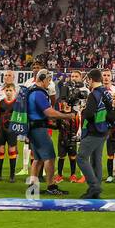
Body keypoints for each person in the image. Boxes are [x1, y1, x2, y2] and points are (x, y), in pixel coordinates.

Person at [24, 68, 72, 197]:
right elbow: (48, 112)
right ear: (43, 78)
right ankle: (51, 186)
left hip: (32, 128)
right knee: (50, 157)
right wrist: (66, 116)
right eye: (48, 80)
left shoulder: (31, 90)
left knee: (38, 159)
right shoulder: (39, 93)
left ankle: (32, 188)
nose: (49, 83)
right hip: (39, 129)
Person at [77, 69, 114, 199]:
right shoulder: (107, 93)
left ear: (91, 80)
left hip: (94, 131)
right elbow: (112, 111)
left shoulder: (94, 94)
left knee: (81, 157)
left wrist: (84, 110)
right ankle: (95, 189)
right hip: (104, 130)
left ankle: (94, 186)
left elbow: (90, 114)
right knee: (96, 159)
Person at [0, 80, 20, 182]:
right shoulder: (0, 103)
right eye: (6, 90)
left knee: (12, 151)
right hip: (1, 130)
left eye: (10, 90)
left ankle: (12, 176)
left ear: (14, 91)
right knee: (0, 151)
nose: (8, 92)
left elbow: (18, 117)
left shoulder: (17, 103)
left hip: (12, 130)